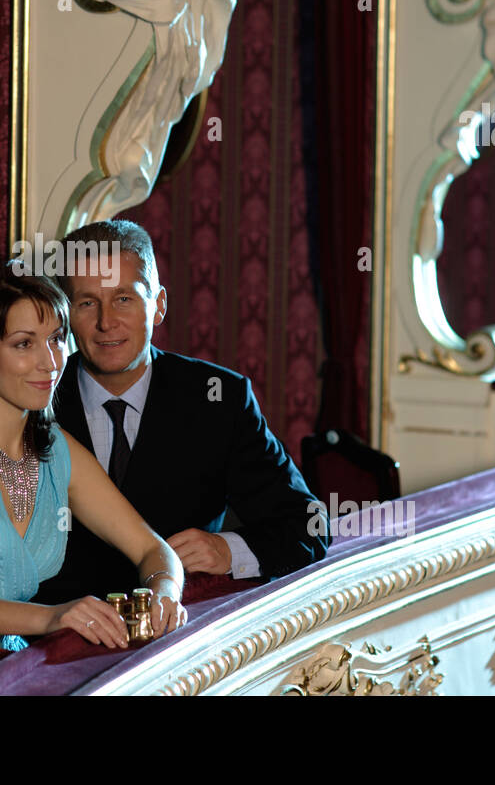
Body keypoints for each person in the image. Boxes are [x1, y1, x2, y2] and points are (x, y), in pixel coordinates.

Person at [0, 261, 188, 652]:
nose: (50, 362)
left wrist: (165, 593)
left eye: (57, 339)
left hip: (7, 664)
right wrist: (51, 617)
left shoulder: (56, 449)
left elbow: (152, 549)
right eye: (24, 343)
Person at [33, 219, 330, 605]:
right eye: (87, 302)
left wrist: (228, 551)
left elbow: (309, 525)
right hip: (53, 641)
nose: (106, 322)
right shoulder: (32, 400)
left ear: (159, 306)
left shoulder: (221, 400)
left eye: (124, 298)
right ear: (65, 314)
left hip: (180, 638)